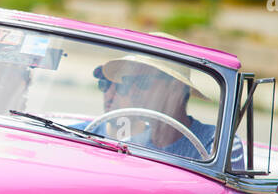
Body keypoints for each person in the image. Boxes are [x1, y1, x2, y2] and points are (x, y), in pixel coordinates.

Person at [92, 50, 244, 166]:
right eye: (128, 81)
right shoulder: (131, 144)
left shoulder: (213, 145)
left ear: (175, 88)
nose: (132, 90)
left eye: (142, 82)